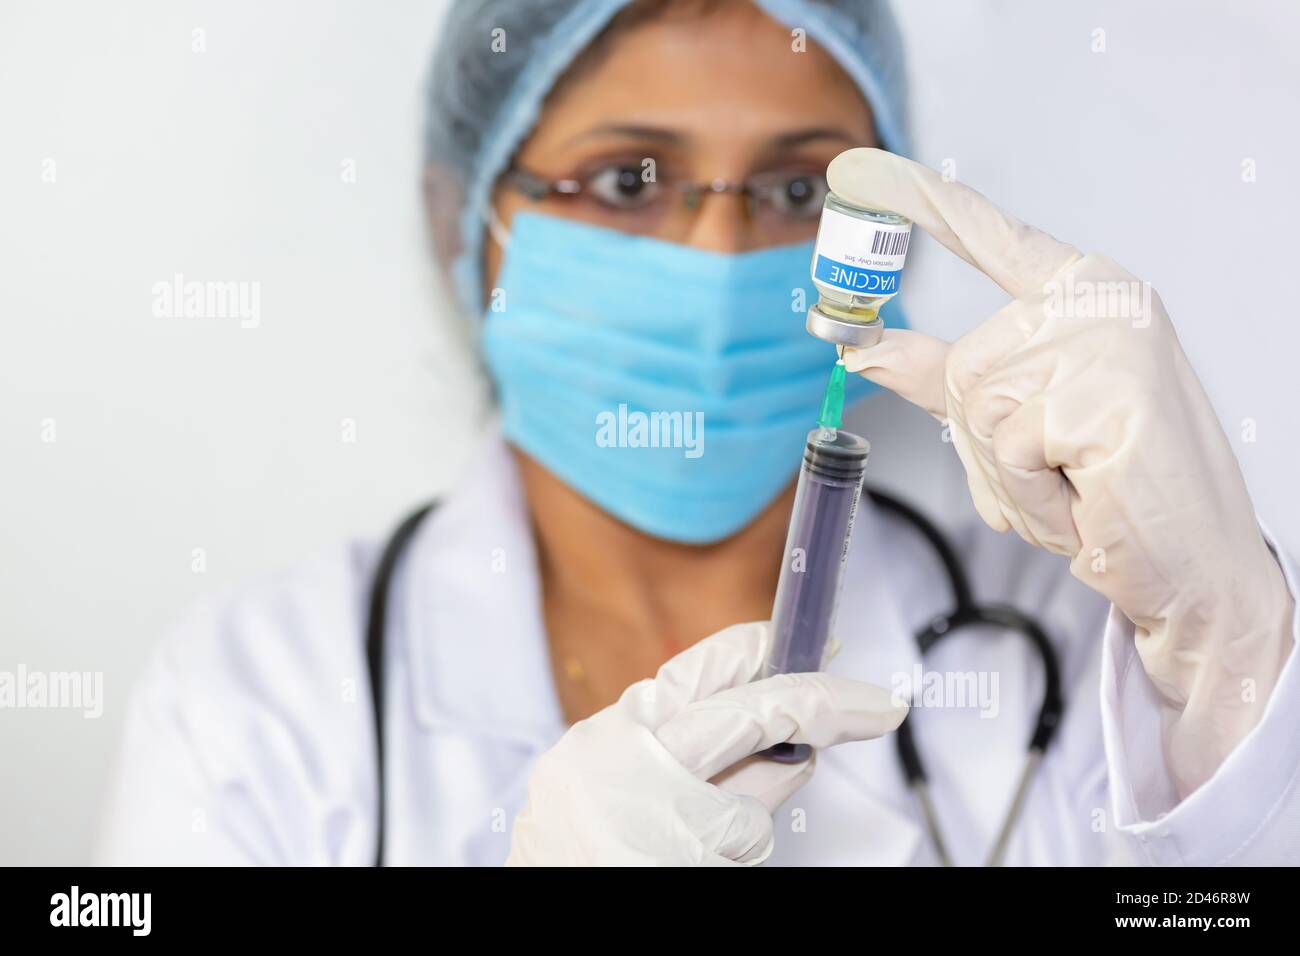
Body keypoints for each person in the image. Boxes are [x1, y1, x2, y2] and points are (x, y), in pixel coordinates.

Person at [99, 0, 1299, 866]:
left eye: (796, 192)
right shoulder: (261, 705)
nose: (720, 258)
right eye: (629, 179)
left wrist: (1233, 637)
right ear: (461, 216)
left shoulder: (1069, 648)